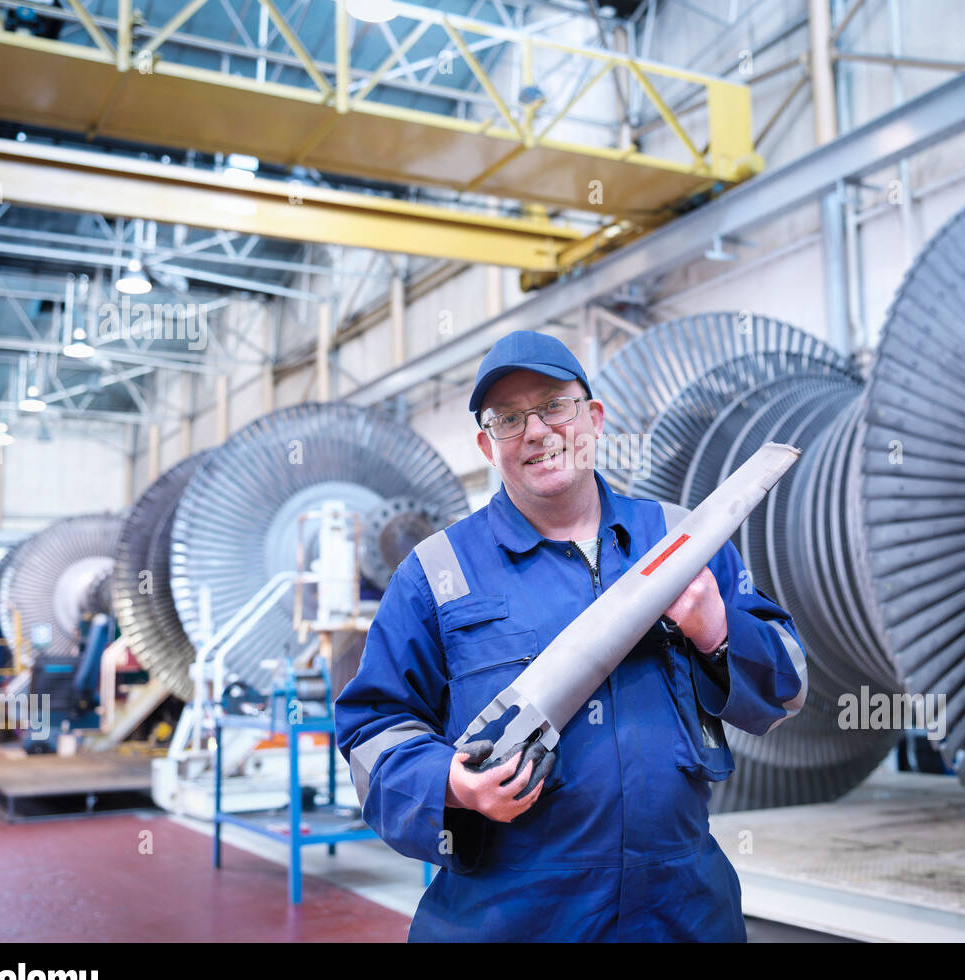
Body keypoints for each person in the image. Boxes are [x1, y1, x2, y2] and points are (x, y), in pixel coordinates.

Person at [334, 330, 808, 942]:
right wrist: (452, 782)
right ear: (487, 444)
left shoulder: (681, 538)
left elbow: (789, 684)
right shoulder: (437, 573)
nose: (535, 430)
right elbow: (372, 731)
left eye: (554, 405)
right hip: (512, 916)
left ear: (595, 418)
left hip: (679, 910)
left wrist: (717, 630)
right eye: (507, 419)